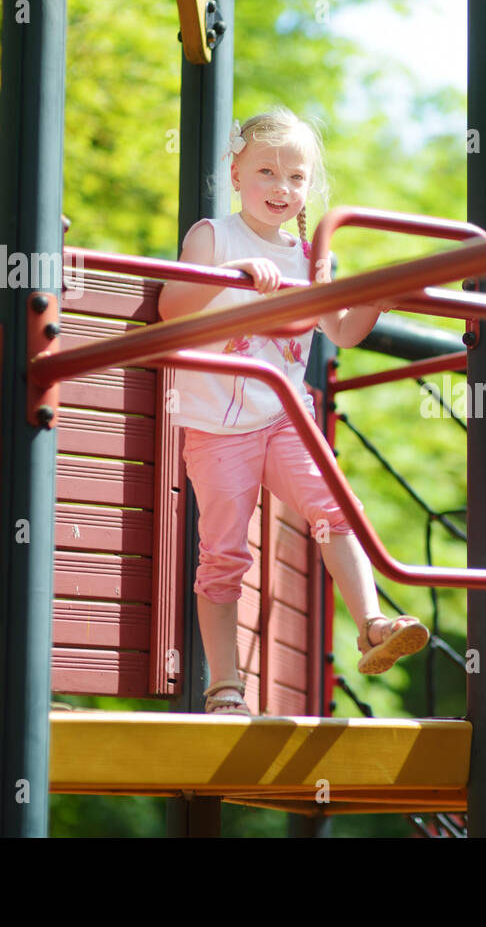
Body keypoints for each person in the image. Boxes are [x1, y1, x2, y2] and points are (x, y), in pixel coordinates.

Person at [157, 106, 428, 716]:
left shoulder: (310, 255)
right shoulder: (213, 236)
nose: (281, 188)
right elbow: (172, 307)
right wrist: (232, 275)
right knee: (224, 553)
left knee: (336, 507)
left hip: (284, 414)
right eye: (266, 172)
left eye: (296, 177)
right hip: (216, 424)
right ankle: (224, 685)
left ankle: (373, 624)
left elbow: (343, 330)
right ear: (235, 172)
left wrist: (375, 299)